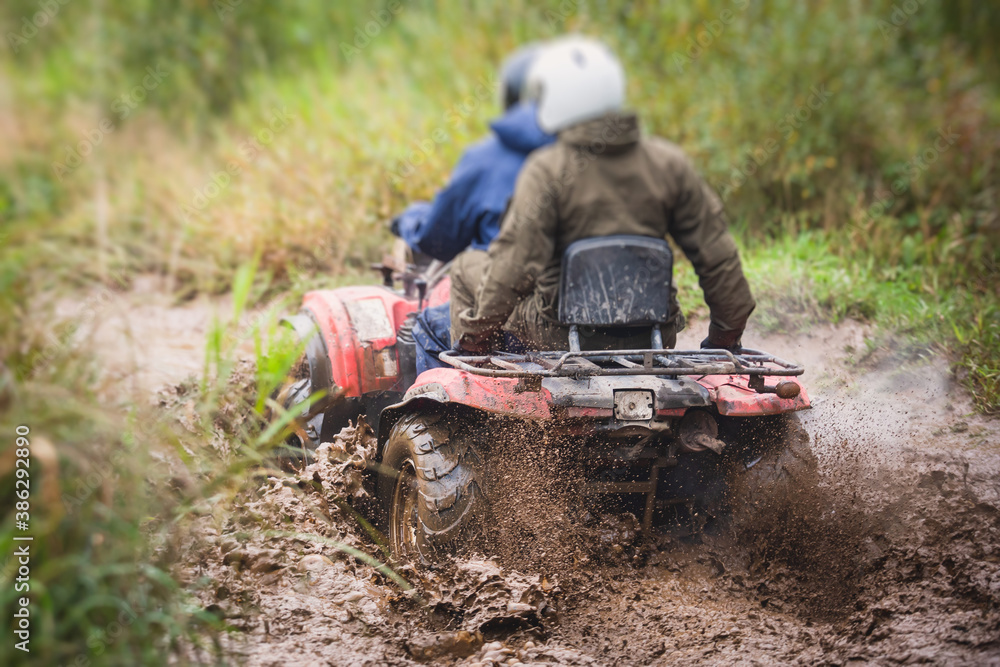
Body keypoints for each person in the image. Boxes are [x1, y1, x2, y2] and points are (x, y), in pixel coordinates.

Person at [450, 36, 756, 355]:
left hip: (561, 336)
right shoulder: (669, 163)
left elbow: (515, 265)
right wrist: (725, 337)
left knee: (464, 266)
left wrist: (475, 335)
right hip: (653, 336)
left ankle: (481, 372)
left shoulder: (548, 169)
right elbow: (716, 255)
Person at [391, 44, 555, 263]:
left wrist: (409, 219)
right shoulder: (597, 155)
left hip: (505, 290)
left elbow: (438, 241)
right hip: (590, 291)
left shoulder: (484, 159)